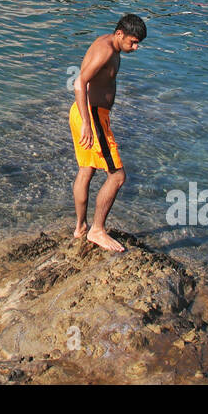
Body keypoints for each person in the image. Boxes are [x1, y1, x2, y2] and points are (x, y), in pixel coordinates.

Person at [70, 14, 146, 253]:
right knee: (117, 176)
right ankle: (97, 230)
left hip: (86, 113)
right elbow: (79, 83)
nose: (135, 47)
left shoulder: (107, 42)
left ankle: (80, 227)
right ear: (120, 34)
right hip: (92, 117)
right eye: (133, 42)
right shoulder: (106, 50)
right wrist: (87, 124)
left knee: (87, 170)